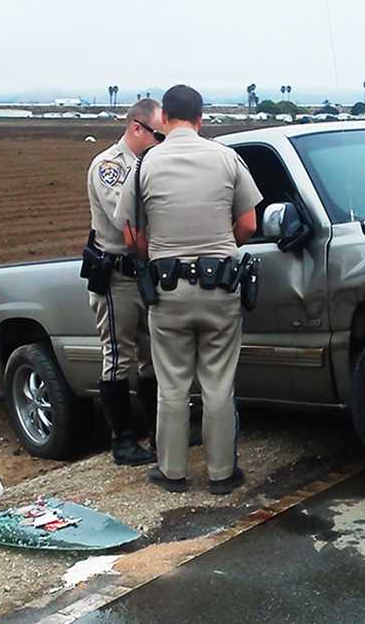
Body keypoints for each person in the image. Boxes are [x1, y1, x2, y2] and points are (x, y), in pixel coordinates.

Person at [115, 84, 262, 495]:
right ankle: (221, 475)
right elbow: (249, 224)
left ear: (164, 119)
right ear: (201, 118)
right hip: (221, 290)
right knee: (218, 383)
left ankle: (172, 472)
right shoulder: (226, 157)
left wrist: (158, 256)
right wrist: (221, 249)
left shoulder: (144, 165)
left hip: (168, 292)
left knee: (172, 385)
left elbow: (130, 234)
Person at [84, 99, 165, 466]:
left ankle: (160, 433)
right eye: (159, 135)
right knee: (118, 358)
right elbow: (126, 221)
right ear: (137, 127)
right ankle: (123, 441)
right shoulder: (110, 167)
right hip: (117, 275)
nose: (163, 142)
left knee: (152, 357)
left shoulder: (150, 163)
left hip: (145, 274)